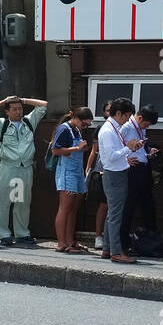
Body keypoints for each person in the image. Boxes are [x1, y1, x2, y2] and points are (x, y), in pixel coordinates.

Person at [0, 94, 48, 247]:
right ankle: (4, 235)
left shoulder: (29, 122)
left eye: (20, 109)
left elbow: (43, 105)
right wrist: (4, 101)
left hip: (25, 168)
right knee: (3, 202)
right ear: (7, 111)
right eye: (14, 109)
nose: (18, 112)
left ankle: (22, 233)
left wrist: (23, 100)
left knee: (22, 202)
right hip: (8, 168)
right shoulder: (2, 124)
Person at [97, 97, 142, 264]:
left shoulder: (113, 127)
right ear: (118, 113)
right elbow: (110, 156)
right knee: (116, 215)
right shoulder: (108, 130)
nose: (128, 119)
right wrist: (128, 148)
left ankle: (108, 248)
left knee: (112, 214)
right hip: (114, 174)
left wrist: (128, 148)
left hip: (116, 173)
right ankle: (116, 252)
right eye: (127, 115)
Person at [51, 107, 93, 253]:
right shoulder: (64, 129)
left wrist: (82, 148)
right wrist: (76, 148)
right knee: (65, 208)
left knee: (73, 209)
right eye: (85, 124)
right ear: (75, 117)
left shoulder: (77, 130)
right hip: (66, 172)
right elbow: (55, 150)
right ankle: (61, 243)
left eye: (88, 125)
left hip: (77, 171)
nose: (86, 127)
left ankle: (70, 241)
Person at [120, 104, 159, 251]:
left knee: (148, 204)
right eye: (146, 124)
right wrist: (125, 160)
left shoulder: (140, 129)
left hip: (143, 167)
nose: (146, 127)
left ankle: (153, 238)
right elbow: (115, 149)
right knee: (129, 206)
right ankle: (124, 243)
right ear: (140, 117)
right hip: (132, 169)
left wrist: (148, 152)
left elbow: (138, 148)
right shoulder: (126, 128)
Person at [83, 99, 114, 250]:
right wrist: (89, 169)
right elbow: (94, 151)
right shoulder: (101, 128)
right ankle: (98, 236)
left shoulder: (122, 127)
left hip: (117, 169)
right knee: (103, 204)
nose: (110, 113)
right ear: (104, 113)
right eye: (108, 110)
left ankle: (111, 237)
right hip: (102, 169)